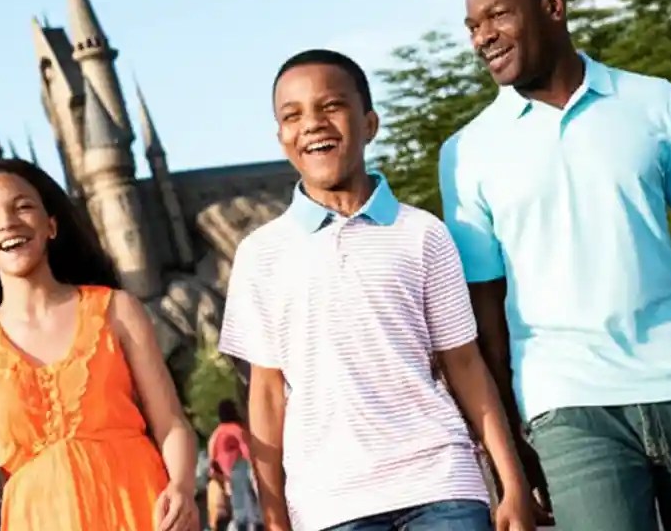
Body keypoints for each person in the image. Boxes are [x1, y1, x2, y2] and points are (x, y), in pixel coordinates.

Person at [439, 0, 671, 531]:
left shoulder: (655, 102)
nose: (483, 37)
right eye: (473, 26)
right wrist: (513, 450)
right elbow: (485, 305)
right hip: (568, 403)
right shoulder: (466, 152)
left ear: (553, 6)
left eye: (497, 16)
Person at [219, 49, 534, 531]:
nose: (312, 124)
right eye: (293, 114)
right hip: (331, 505)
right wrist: (274, 517)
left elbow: (465, 364)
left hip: (442, 485)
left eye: (330, 106)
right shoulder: (261, 254)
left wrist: (512, 483)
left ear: (369, 123)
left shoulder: (423, 233)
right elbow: (265, 394)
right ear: (282, 137)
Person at [0, 158, 199, 531]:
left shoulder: (118, 310)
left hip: (141, 509)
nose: (7, 223)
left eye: (23, 206)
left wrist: (181, 487)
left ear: (51, 224)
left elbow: (171, 424)